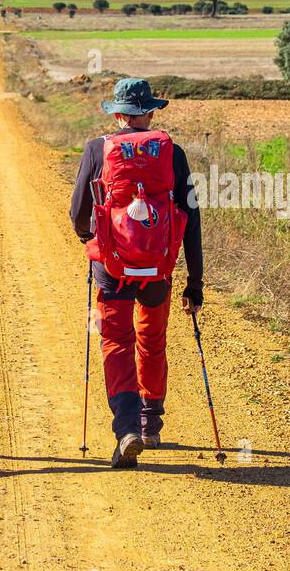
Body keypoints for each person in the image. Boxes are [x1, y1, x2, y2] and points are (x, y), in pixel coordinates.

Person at [70, 77, 203, 469]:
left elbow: (78, 210)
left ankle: (125, 428)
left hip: (111, 267)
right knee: (152, 338)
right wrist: (195, 282)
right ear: (149, 113)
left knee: (115, 342)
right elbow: (191, 218)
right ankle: (150, 423)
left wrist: (87, 238)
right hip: (157, 267)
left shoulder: (98, 149)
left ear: (116, 113)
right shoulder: (173, 154)